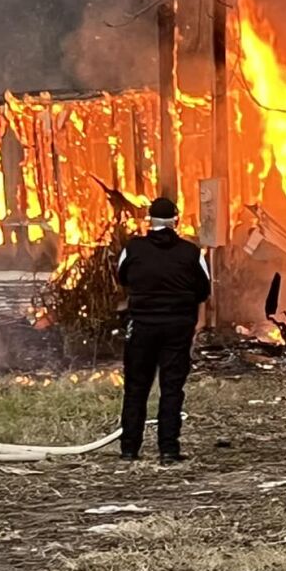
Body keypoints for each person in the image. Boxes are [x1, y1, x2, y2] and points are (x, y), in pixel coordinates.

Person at [116, 197, 210, 462]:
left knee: (136, 388)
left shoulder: (133, 249)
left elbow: (122, 277)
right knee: (171, 388)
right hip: (177, 329)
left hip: (142, 328)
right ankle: (168, 449)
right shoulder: (192, 253)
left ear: (149, 221)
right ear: (176, 221)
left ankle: (129, 449)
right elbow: (204, 290)